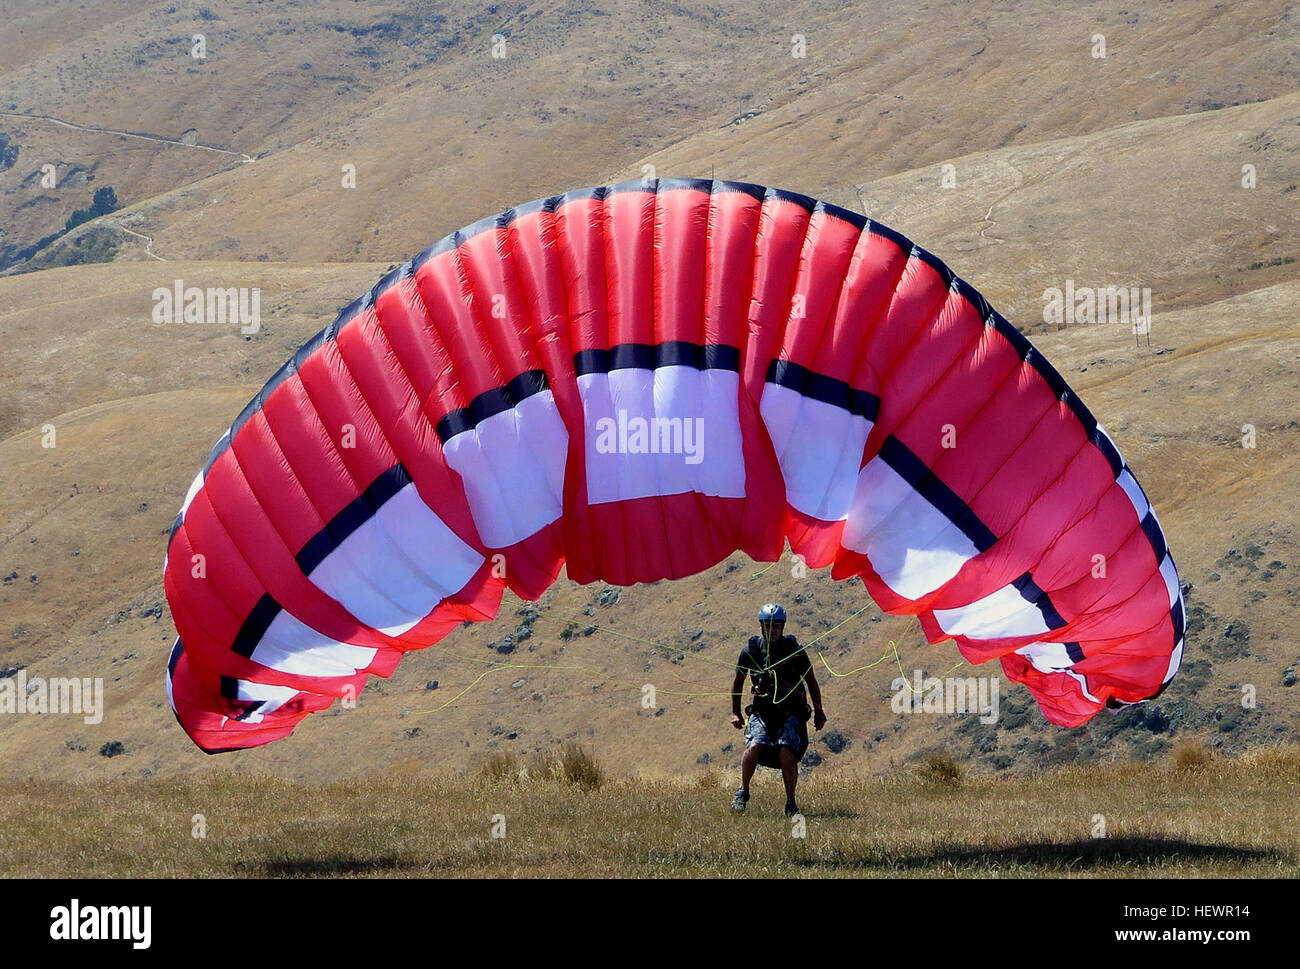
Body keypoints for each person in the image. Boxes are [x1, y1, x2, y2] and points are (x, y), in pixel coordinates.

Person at [729, 602, 826, 816]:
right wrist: (735, 713)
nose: (772, 630)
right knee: (754, 747)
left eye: (777, 626)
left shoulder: (795, 652)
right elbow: (738, 682)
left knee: (785, 751)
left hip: (790, 713)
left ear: (782, 628)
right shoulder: (751, 652)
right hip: (762, 713)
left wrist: (819, 712)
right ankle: (743, 792)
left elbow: (811, 682)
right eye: (768, 626)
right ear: (761, 626)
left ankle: (791, 803)